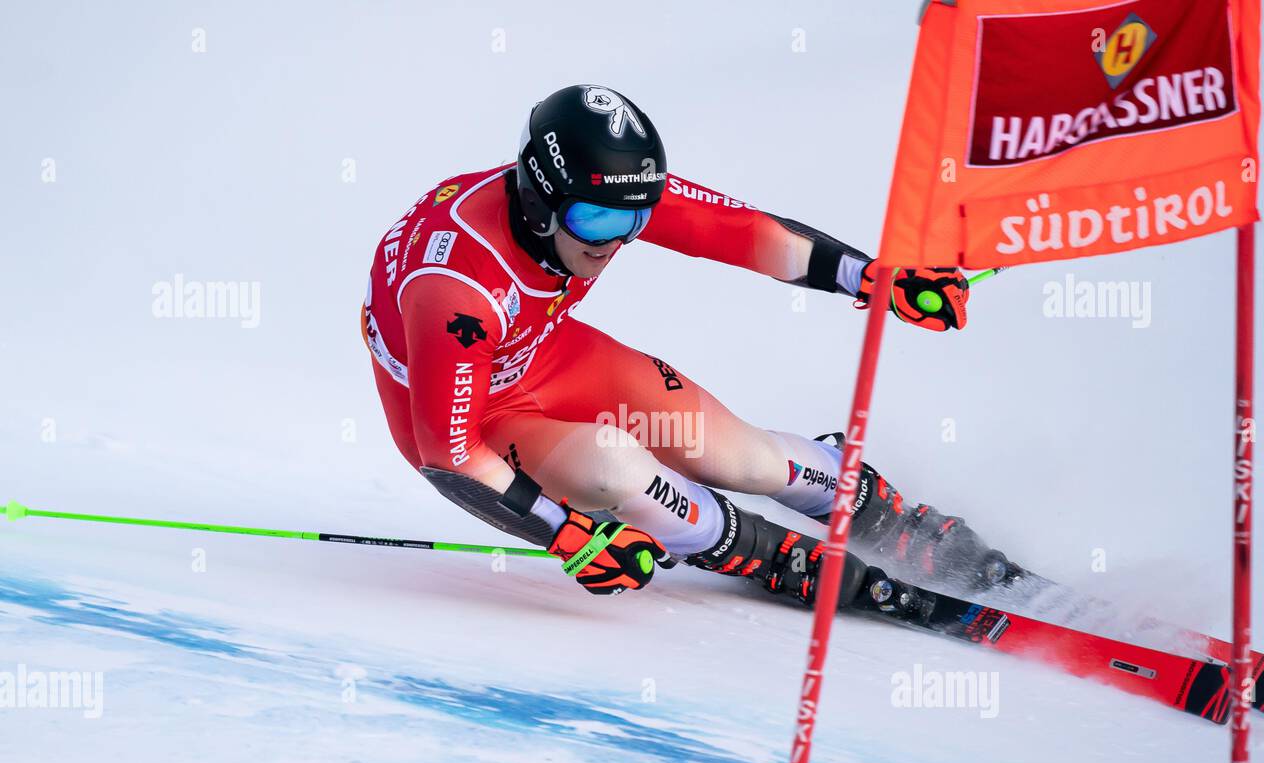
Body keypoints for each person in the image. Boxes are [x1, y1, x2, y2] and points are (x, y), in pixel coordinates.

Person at [362, 84, 1016, 606]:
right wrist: (568, 537)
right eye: (595, 220)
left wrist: (869, 275)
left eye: (635, 221)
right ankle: (758, 551)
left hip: (546, 355)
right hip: (474, 413)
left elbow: (738, 233)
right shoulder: (456, 291)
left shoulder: (603, 190)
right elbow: (448, 455)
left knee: (744, 459)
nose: (612, 241)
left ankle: (856, 494)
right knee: (612, 468)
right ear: (538, 197)